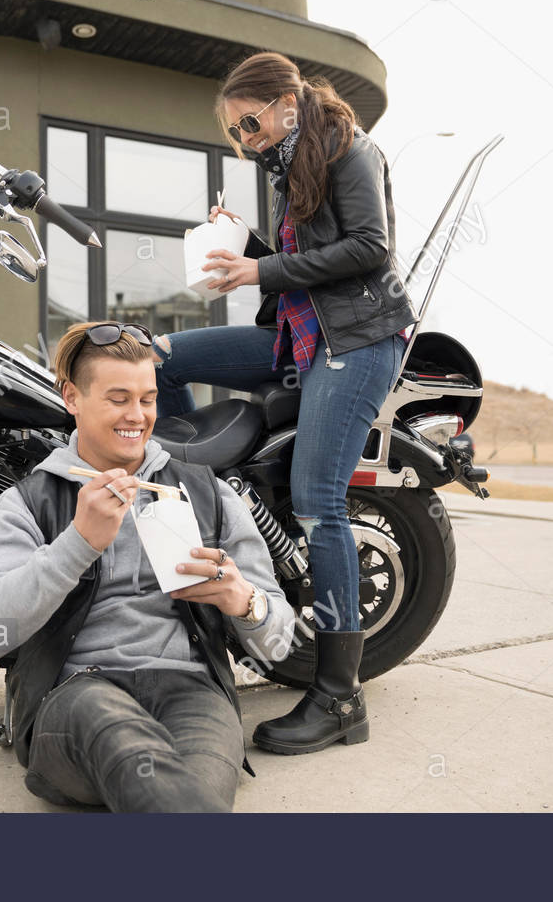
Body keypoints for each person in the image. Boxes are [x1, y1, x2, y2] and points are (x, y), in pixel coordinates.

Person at [151, 51, 417, 755]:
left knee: (317, 502)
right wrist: (245, 242)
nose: (244, 139)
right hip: (302, 336)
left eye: (248, 123)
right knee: (159, 355)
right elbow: (304, 261)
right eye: (235, 132)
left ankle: (339, 699)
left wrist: (258, 266)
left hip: (358, 340)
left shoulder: (352, 151)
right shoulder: (291, 164)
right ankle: (186, 494)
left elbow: (368, 248)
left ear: (285, 104)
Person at [0, 321, 296, 812]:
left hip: (192, 693)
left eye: (148, 399)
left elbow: (282, 643)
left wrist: (246, 602)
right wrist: (78, 543)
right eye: (118, 399)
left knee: (188, 791)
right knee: (128, 744)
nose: (137, 417)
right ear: (72, 397)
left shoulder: (209, 495)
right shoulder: (28, 503)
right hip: (79, 695)